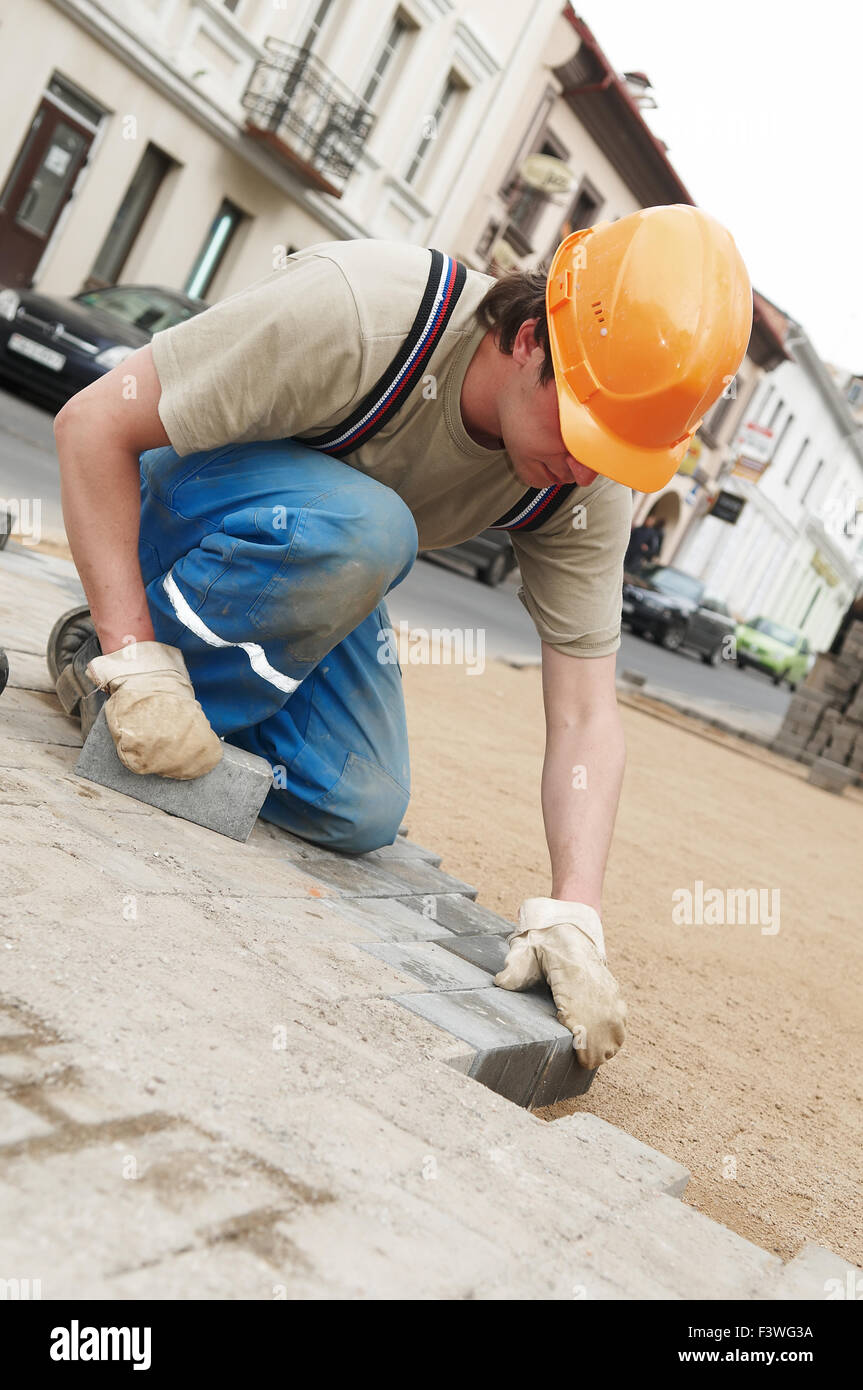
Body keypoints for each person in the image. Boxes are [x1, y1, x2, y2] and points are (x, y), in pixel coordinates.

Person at [54, 205, 751, 1070]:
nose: (585, 466)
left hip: (316, 567)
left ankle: (179, 694)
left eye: (612, 451)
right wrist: (135, 648)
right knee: (375, 529)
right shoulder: (365, 311)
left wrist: (575, 910)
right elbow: (91, 424)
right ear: (531, 338)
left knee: (360, 808)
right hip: (174, 512)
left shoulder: (584, 480)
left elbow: (583, 716)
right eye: (580, 429)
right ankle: (114, 656)